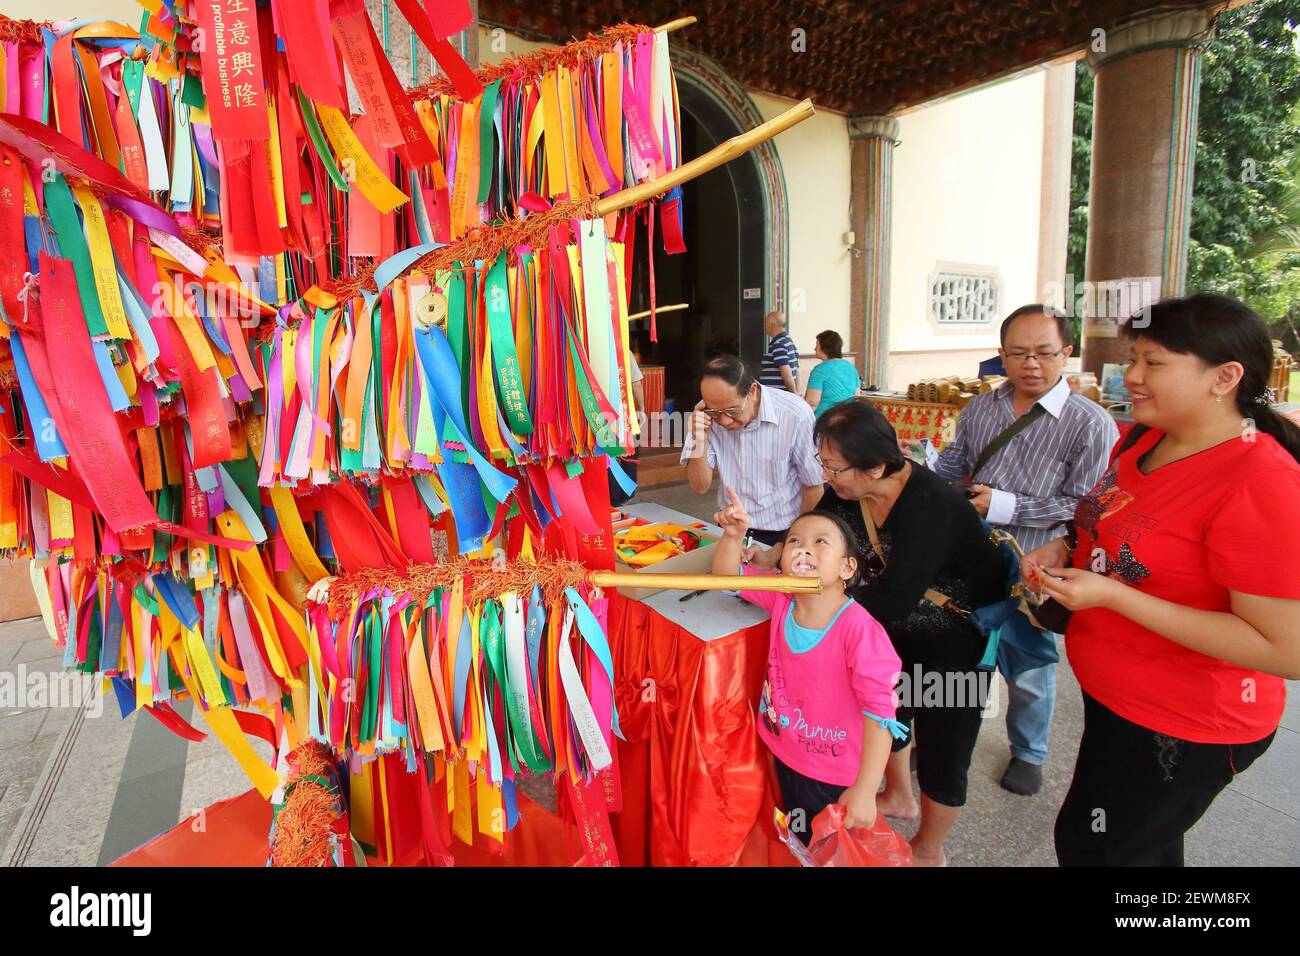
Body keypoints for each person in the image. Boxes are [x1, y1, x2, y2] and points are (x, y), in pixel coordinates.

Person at [1020, 293, 1300, 866]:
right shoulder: (1142, 438)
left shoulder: (1260, 480)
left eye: (1154, 362)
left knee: (1099, 850)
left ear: (1224, 377)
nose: (1133, 375)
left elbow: (1286, 649)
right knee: (1129, 847)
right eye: (1133, 358)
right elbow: (1106, 527)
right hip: (1117, 697)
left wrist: (1114, 597)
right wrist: (1068, 546)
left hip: (1185, 721)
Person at [751, 398, 1005, 865]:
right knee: (889, 712)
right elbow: (815, 525)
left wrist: (810, 605)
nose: (828, 477)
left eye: (835, 468)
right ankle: (898, 796)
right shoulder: (849, 491)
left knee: (945, 746)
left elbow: (894, 598)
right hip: (894, 633)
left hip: (956, 639)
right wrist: (772, 556)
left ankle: (929, 848)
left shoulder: (932, 505)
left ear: (874, 467)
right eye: (822, 463)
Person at [933, 304, 1118, 796]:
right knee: (964, 657)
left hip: (1038, 570)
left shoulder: (1091, 424)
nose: (1030, 364)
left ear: (1067, 353)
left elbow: (1087, 507)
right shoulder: (982, 408)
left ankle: (1029, 752)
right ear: (1001, 355)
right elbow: (954, 463)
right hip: (970, 562)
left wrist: (1004, 504)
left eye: (1043, 353)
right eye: (1017, 353)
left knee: (1030, 666)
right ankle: (949, 741)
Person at [712, 487, 906, 845]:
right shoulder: (781, 598)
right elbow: (727, 578)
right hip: (785, 753)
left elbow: (881, 713)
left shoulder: (860, 631)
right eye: (794, 541)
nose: (803, 548)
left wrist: (865, 789)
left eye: (820, 542)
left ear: (848, 567)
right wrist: (733, 535)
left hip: (833, 773)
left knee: (831, 848)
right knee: (797, 839)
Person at [681, 354, 823, 546]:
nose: (723, 421)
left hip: (782, 534)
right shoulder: (705, 416)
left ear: (753, 391)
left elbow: (814, 487)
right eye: (715, 413)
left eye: (732, 411)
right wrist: (700, 438)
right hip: (730, 530)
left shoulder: (794, 415)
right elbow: (699, 486)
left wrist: (792, 542)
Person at [608, 354, 645, 507]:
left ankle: (613, 498)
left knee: (609, 458)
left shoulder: (588, 344)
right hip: (626, 414)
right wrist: (642, 408)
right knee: (629, 454)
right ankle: (623, 497)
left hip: (600, 416)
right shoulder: (624, 350)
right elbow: (636, 384)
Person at [804, 330, 861, 418]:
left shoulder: (820, 370)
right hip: (847, 419)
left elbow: (812, 402)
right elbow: (857, 396)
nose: (814, 349)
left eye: (817, 346)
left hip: (825, 421)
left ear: (825, 348)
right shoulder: (850, 367)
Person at [760, 311, 799, 392]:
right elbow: (796, 371)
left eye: (765, 322)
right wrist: (796, 392)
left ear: (771, 323)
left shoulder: (779, 344)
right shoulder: (788, 342)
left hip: (777, 396)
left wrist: (794, 393)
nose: (764, 325)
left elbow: (786, 372)